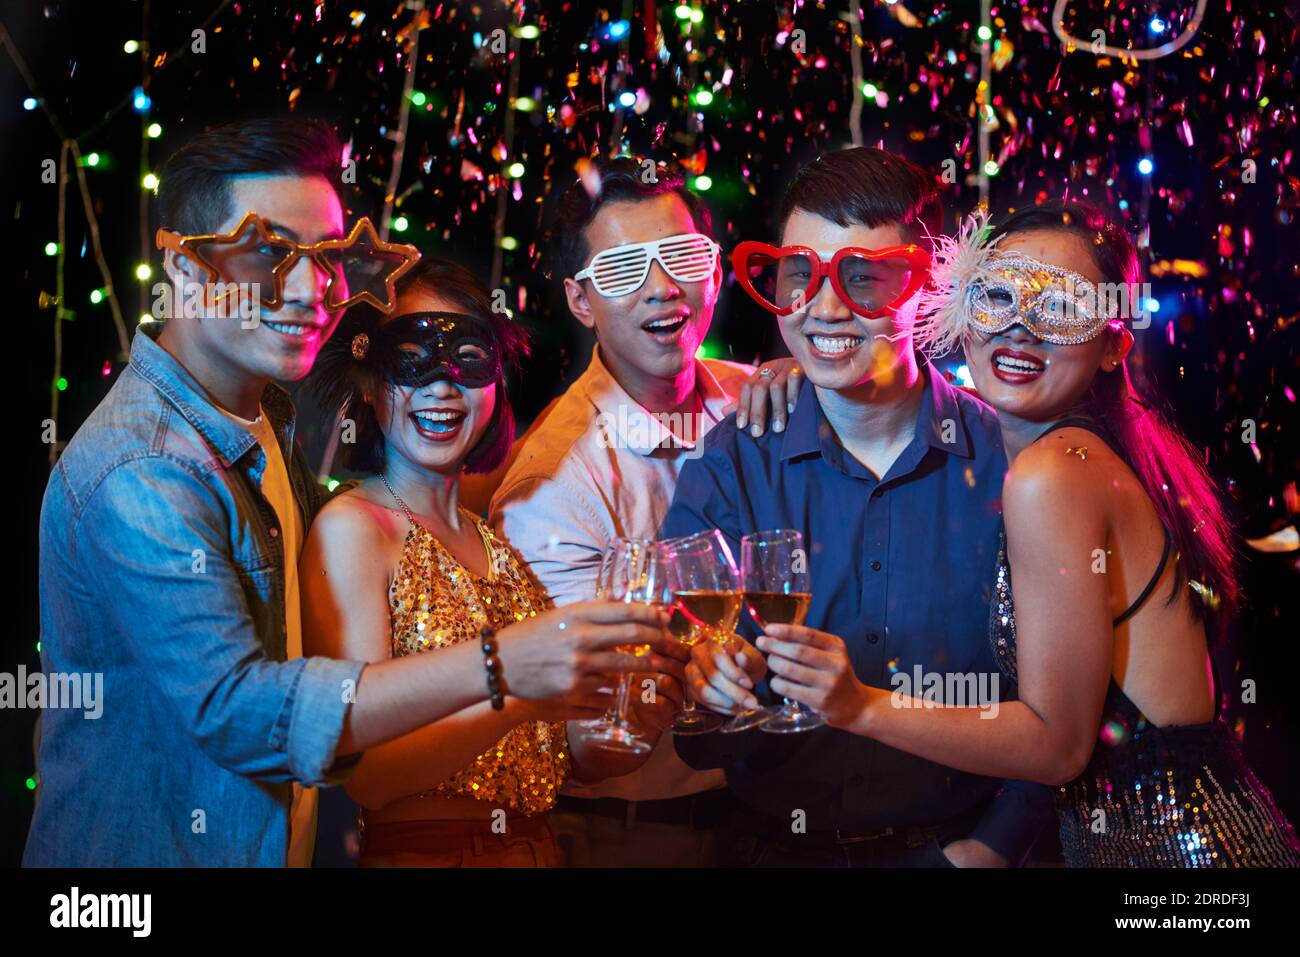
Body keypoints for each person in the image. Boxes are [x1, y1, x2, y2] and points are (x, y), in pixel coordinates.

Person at [25, 117, 681, 867]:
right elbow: (239, 712)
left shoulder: (260, 419)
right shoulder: (142, 469)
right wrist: (504, 671)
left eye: (326, 256)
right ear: (184, 272)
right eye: (270, 253)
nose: (311, 290)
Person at [749, 199, 1300, 867]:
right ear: (960, 312)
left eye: (1059, 309)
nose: (1017, 330)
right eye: (997, 297)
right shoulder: (1090, 452)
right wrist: (798, 370)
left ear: (1112, 343)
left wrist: (858, 704)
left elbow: (1056, 743)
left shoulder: (1053, 473)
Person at [662, 147, 1054, 867]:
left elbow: (1072, 706)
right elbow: (688, 713)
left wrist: (993, 847)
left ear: (931, 285)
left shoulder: (1016, 466)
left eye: (864, 278)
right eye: (799, 276)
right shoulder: (731, 462)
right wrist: (708, 685)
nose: (825, 308)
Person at [302, 256, 689, 866]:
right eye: (411, 361)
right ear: (372, 386)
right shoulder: (355, 530)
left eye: (467, 360)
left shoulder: (496, 544)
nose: (441, 385)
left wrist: (635, 718)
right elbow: (365, 771)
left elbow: (563, 760)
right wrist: (525, 696)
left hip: (539, 850)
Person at [489, 157, 801, 866]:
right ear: (579, 300)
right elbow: (576, 729)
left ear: (715, 270)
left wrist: (804, 371)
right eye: (627, 270)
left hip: (778, 814)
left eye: (683, 257)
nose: (664, 288)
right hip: (641, 828)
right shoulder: (551, 486)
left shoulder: (762, 397)